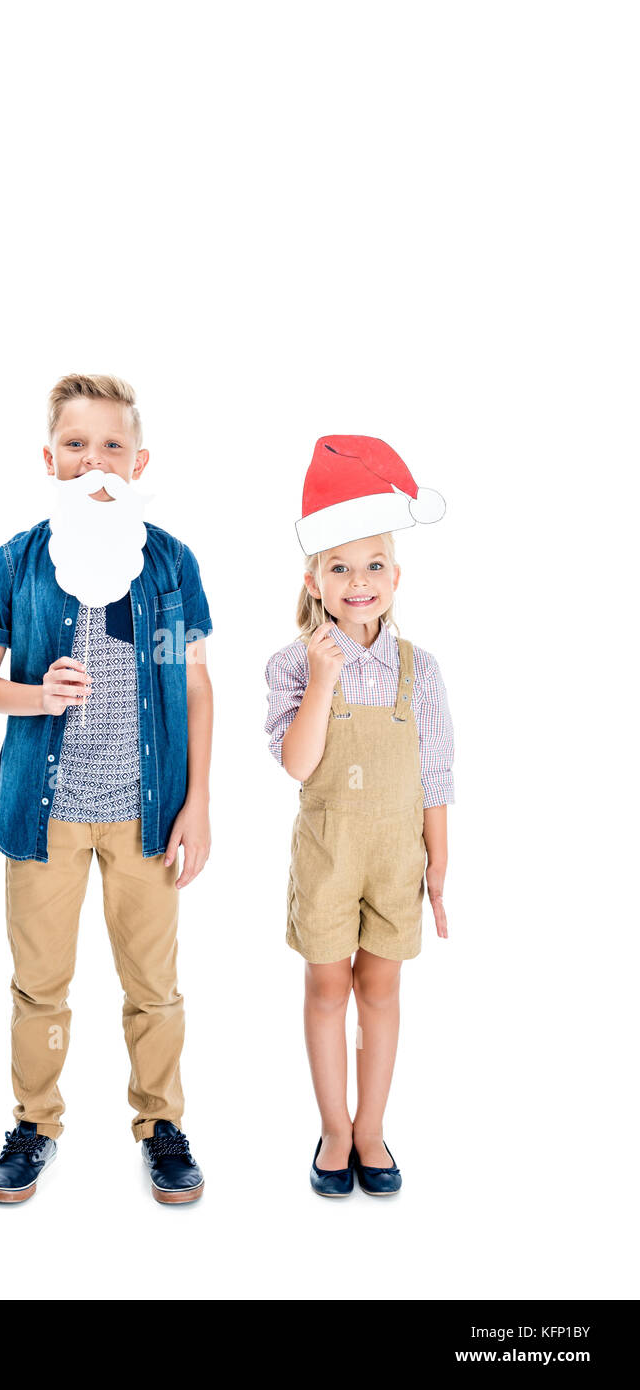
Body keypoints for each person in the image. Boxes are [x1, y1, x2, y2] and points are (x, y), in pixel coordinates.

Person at [0, 373, 213, 1205]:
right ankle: (34, 1123)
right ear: (49, 457)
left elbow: (194, 685)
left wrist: (198, 802)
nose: (93, 459)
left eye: (111, 444)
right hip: (45, 814)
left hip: (146, 814)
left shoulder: (169, 563)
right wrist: (39, 695)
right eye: (76, 443)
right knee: (40, 984)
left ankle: (162, 1124)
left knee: (153, 985)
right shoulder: (13, 562)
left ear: (138, 460)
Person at [264, 435, 454, 1198]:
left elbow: (436, 773)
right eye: (338, 566)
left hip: (395, 859)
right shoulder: (291, 664)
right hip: (329, 857)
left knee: (380, 991)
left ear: (396, 576)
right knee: (326, 991)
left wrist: (439, 865)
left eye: (373, 564)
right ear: (312, 577)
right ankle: (333, 1129)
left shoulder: (420, 670)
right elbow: (298, 763)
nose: (358, 581)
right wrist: (320, 678)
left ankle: (371, 1128)